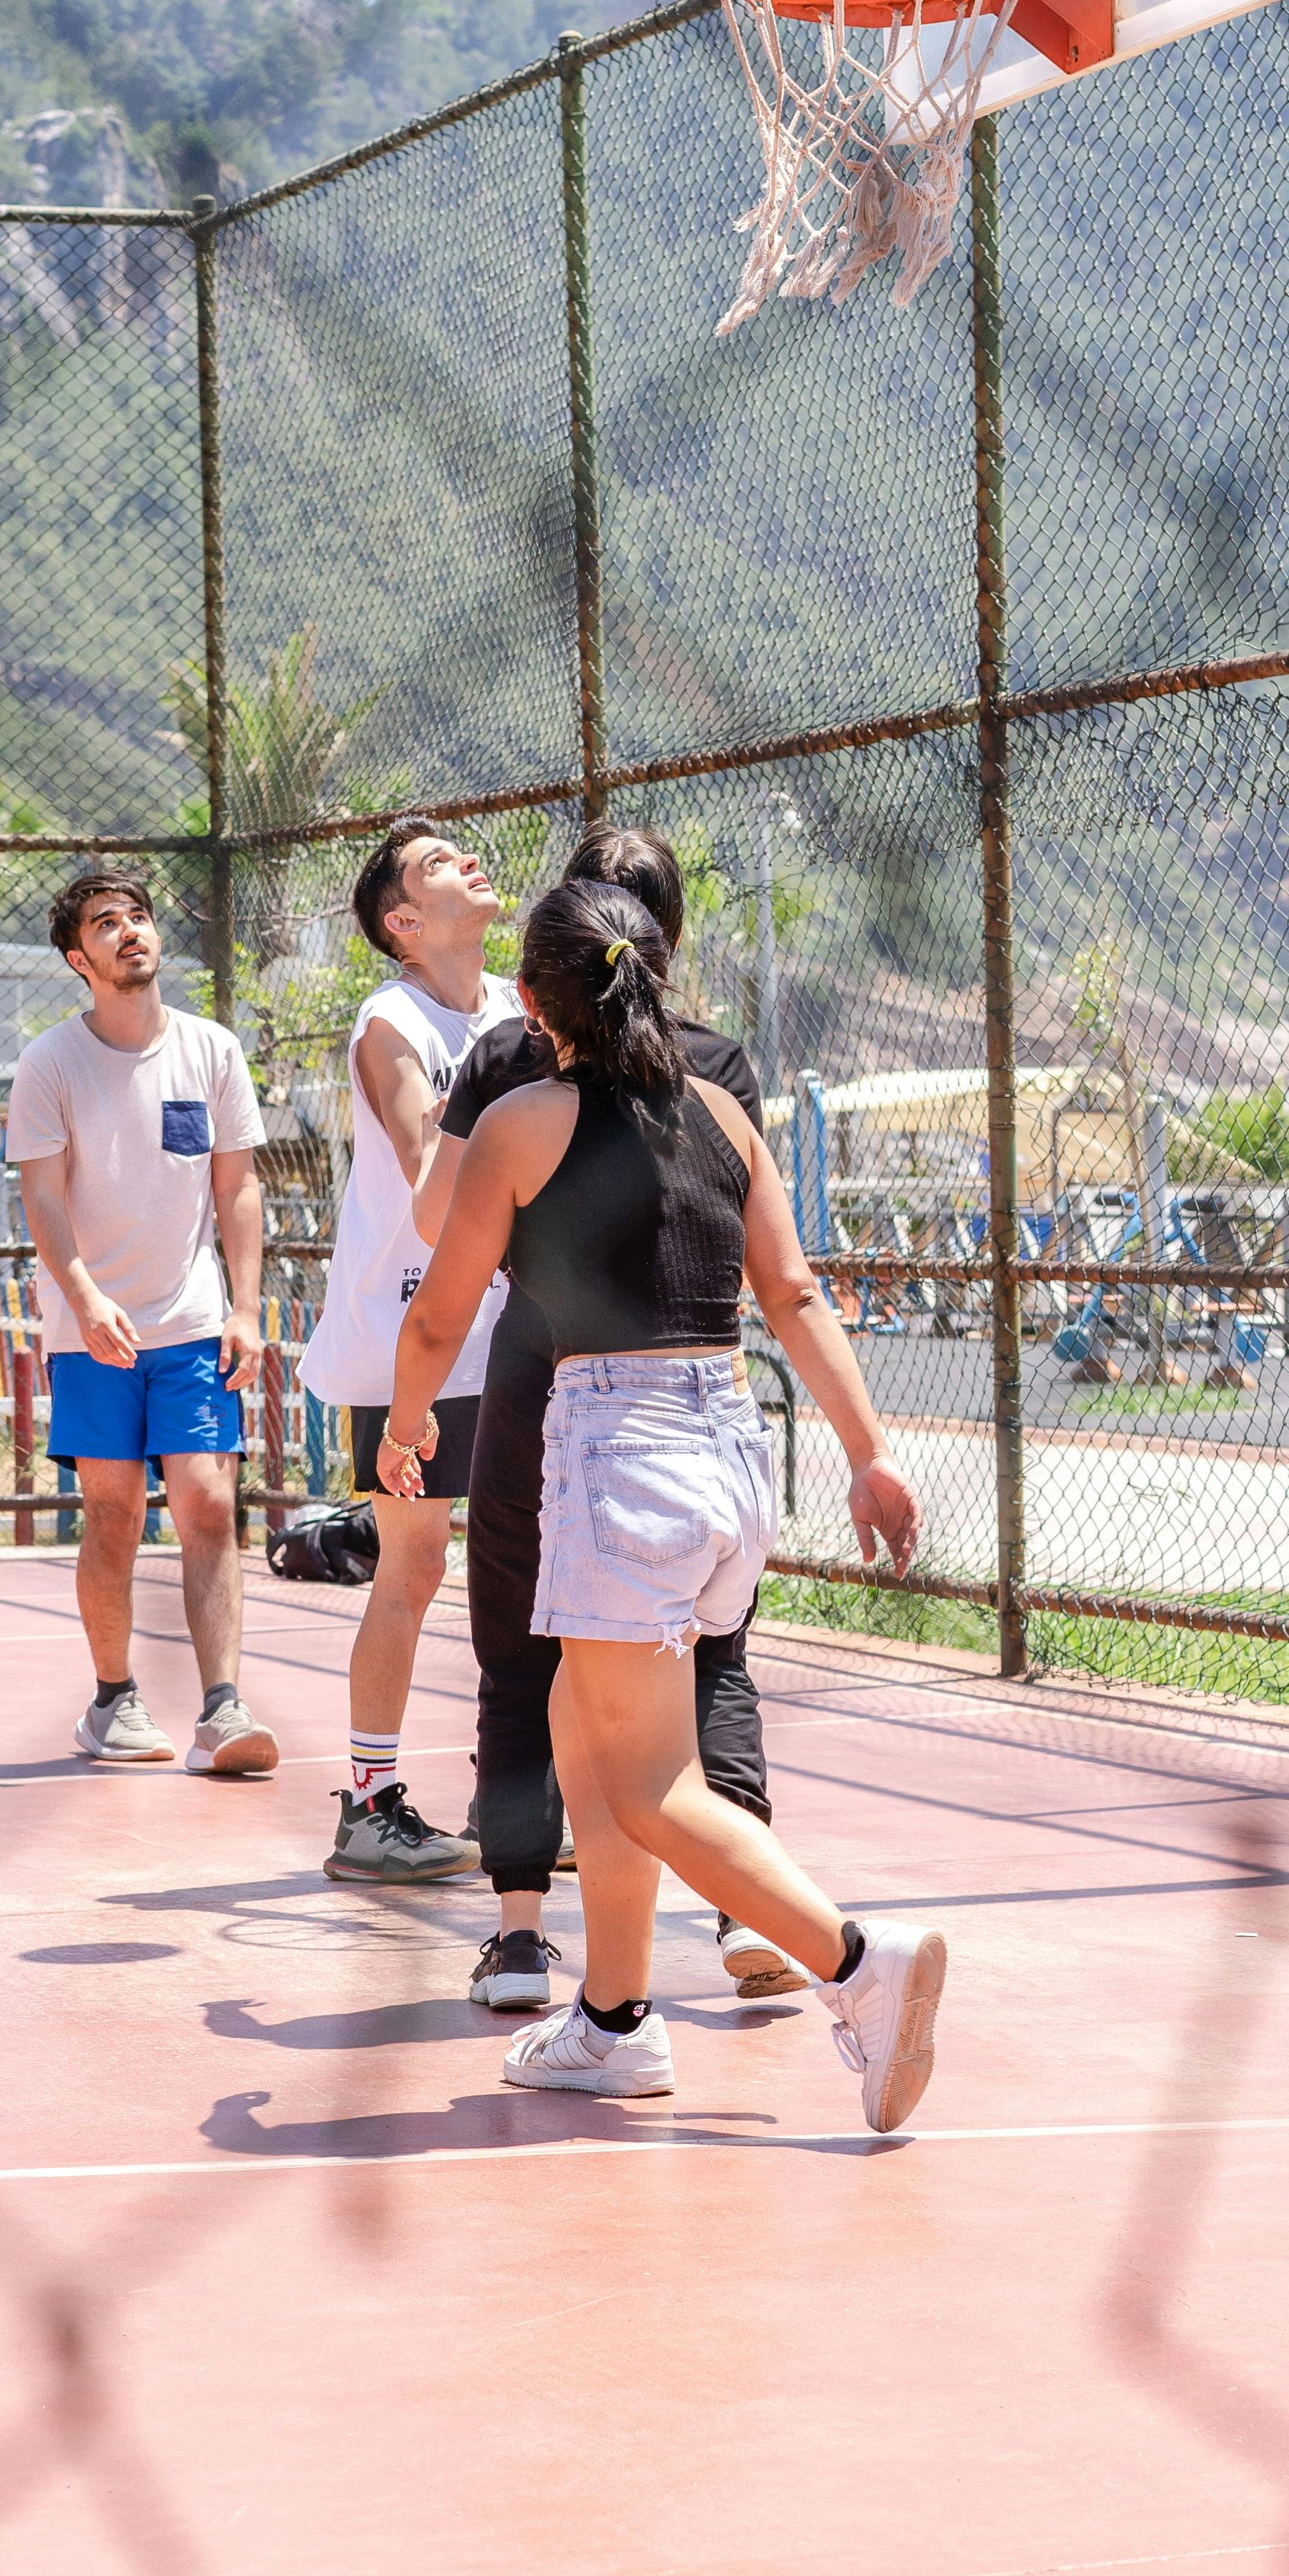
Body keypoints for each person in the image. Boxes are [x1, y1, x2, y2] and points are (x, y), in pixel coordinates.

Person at [381, 876, 942, 2132]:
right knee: (594, 1745)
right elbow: (792, 1296)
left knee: (642, 1783)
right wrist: (868, 1450)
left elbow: (443, 1306)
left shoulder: (524, 1119)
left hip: (616, 1455)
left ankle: (859, 1964)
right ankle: (618, 2021)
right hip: (727, 1448)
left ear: (533, 1005)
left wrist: (410, 1423)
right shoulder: (723, 1118)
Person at [418, 823, 796, 2018]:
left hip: (563, 1382)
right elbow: (764, 1258)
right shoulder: (721, 1071)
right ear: (666, 946)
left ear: (547, 970)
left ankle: (527, 1929)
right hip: (702, 1395)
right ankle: (736, 1911)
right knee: (713, 1657)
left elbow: (443, 1230)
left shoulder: (509, 1060)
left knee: (523, 1655)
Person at [5, 863, 276, 1776]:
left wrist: (245, 1307)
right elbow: (42, 1198)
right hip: (92, 1330)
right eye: (106, 923)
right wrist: (84, 1299)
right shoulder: (52, 1062)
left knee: (208, 1500)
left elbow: (236, 1187)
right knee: (114, 1511)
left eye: (139, 916)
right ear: (77, 957)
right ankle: (113, 1700)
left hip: (194, 1320)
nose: (130, 932)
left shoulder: (211, 1050)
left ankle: (224, 1709)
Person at [297, 820, 518, 1887]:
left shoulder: (525, 1007)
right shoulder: (392, 1023)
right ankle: (372, 1804)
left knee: (528, 1569)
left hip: (515, 1331)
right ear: (403, 922)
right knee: (416, 1565)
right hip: (410, 1340)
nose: (469, 861)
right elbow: (430, 1175)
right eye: (438, 865)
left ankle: (514, 1787)